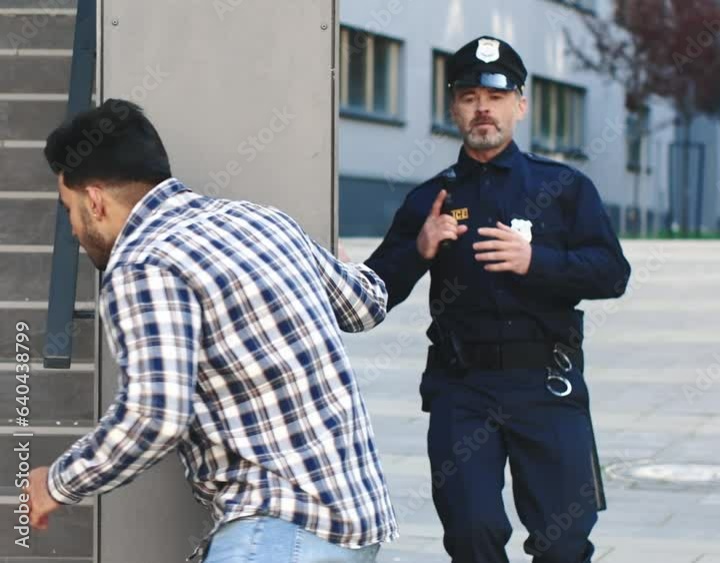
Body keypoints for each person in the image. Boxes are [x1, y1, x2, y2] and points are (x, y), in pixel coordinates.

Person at [26, 99, 397, 563]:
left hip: (281, 534)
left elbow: (156, 415)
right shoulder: (263, 222)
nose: (75, 230)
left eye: (70, 209)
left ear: (95, 199)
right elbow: (365, 304)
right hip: (356, 528)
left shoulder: (143, 264)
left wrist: (58, 483)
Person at [365, 36, 631, 563]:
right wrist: (420, 249)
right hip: (462, 388)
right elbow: (373, 295)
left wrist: (537, 263)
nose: (482, 108)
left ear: (520, 104)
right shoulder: (430, 199)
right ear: (453, 108)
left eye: (496, 95)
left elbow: (612, 273)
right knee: (472, 535)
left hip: (547, 384)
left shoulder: (565, 188)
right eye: (468, 97)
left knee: (564, 543)